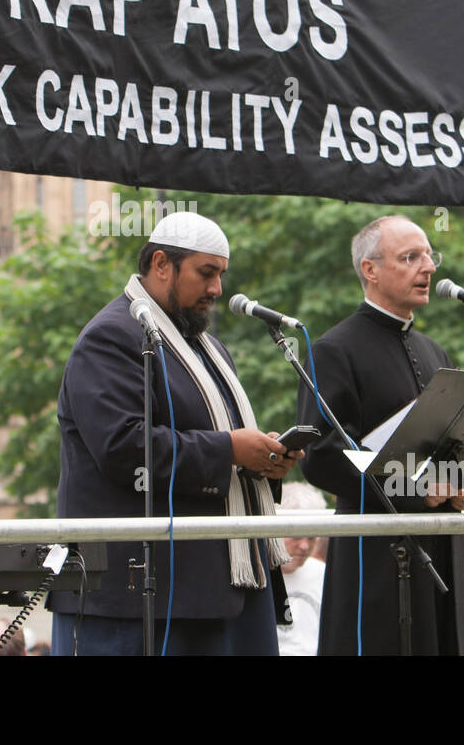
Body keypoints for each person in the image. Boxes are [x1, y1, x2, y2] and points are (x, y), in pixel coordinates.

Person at [49, 211, 301, 655]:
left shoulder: (208, 348)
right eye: (206, 273)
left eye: (221, 275)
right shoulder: (110, 338)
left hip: (223, 589)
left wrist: (264, 459)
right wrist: (230, 450)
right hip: (137, 596)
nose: (217, 289)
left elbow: (223, 445)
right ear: (161, 264)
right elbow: (124, 449)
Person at [297, 215, 464, 655]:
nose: (428, 267)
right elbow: (322, 455)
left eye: (430, 255)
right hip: (373, 553)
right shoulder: (334, 350)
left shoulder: (436, 353)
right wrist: (415, 490)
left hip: (442, 545)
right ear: (370, 270)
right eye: (410, 257)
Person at [276, 482, 328, 656]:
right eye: (296, 536)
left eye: (312, 538)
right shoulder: (252, 576)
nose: (305, 546)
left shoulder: (325, 574)